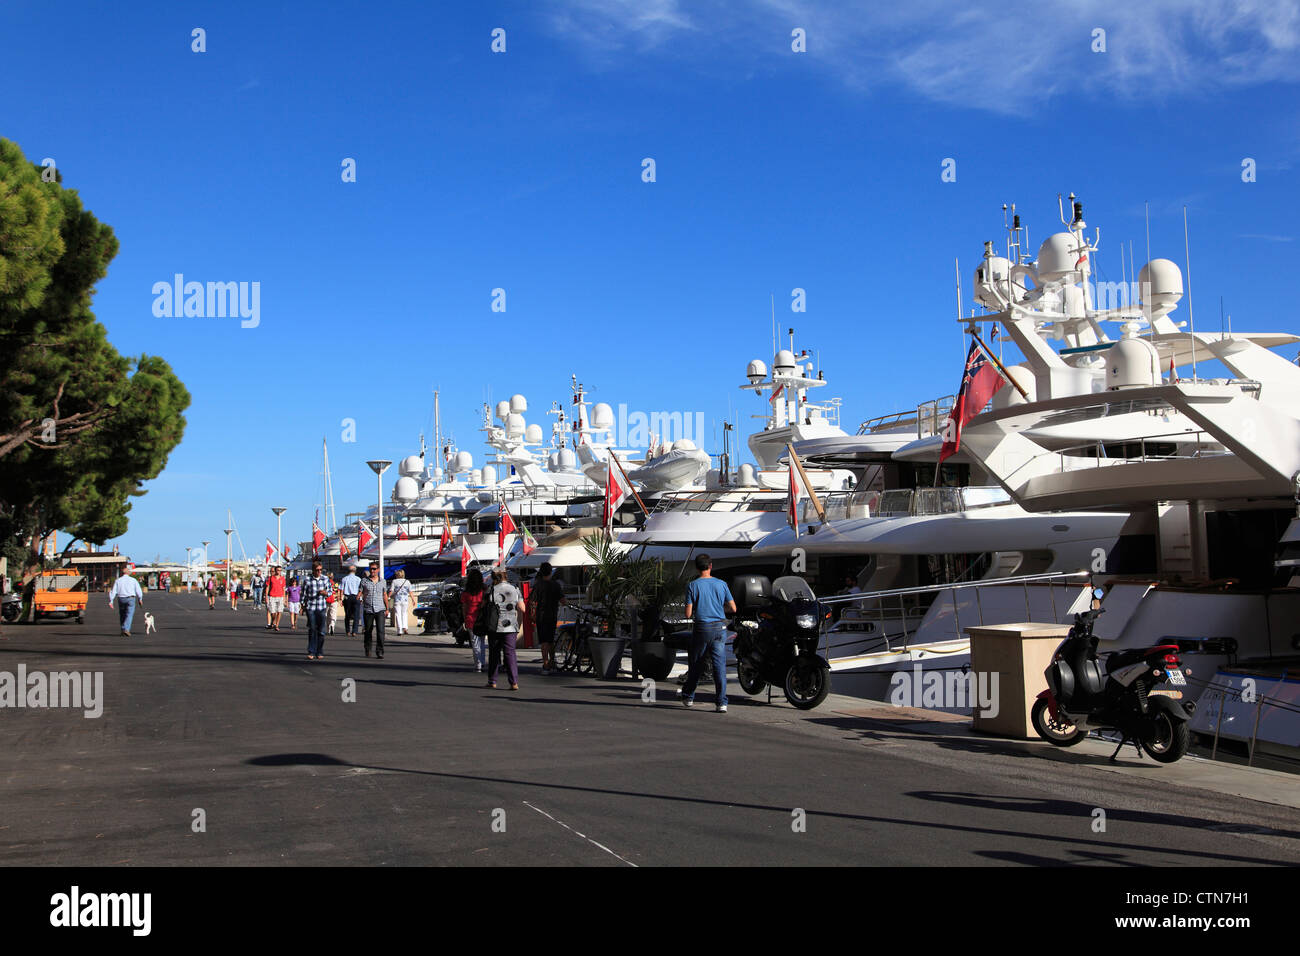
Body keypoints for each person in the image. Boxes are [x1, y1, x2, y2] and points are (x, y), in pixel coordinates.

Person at [680, 554, 736, 713]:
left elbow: (688, 614)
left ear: (697, 568)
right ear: (710, 566)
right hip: (719, 627)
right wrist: (719, 609)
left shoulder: (692, 585)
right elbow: (733, 608)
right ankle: (721, 702)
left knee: (697, 663)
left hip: (702, 628)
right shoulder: (722, 584)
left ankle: (688, 696)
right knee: (719, 666)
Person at [486, 568, 525, 691]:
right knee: (510, 654)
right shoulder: (515, 589)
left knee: (494, 653)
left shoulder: (491, 590)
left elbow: (486, 605)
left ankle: (492, 681)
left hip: (494, 626)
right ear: (506, 576)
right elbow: (522, 608)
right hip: (510, 626)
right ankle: (514, 682)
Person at [529, 562, 564, 674]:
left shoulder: (538, 585)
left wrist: (532, 614)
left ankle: (546, 663)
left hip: (541, 616)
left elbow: (533, 602)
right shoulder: (556, 585)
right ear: (550, 572)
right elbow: (563, 601)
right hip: (552, 615)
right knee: (550, 639)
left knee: (544, 641)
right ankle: (552, 661)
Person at [300, 560, 334, 660]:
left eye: (320, 570)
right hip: (311, 607)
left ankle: (319, 651)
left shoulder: (325, 579)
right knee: (312, 629)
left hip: (321, 607)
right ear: (313, 570)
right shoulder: (307, 580)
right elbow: (303, 594)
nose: (319, 572)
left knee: (321, 631)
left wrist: (325, 593)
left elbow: (330, 591)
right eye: (317, 570)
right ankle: (311, 651)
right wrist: (302, 606)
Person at [358, 563, 389, 658]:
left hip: (380, 609)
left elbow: (385, 595)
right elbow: (360, 592)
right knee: (368, 631)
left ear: (378, 570)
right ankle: (368, 648)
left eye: (374, 569)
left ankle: (380, 651)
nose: (372, 571)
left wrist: (387, 608)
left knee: (381, 631)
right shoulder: (364, 581)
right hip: (368, 609)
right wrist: (359, 597)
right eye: (371, 569)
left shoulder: (383, 581)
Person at [461, 567, 487, 672]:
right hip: (482, 618)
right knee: (482, 643)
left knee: (475, 643)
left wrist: (464, 619)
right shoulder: (484, 591)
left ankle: (478, 664)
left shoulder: (466, 593)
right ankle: (482, 662)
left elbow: (464, 607)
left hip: (470, 618)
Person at [107, 568, 145, 637]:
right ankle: (126, 629)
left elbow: (113, 591)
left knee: (122, 614)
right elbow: (138, 590)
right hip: (131, 598)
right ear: (128, 573)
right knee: (129, 614)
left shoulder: (118, 580)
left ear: (122, 573)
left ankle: (123, 629)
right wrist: (140, 599)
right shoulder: (133, 580)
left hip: (121, 598)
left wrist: (111, 601)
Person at [339, 564, 362, 636]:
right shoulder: (358, 579)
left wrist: (340, 599)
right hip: (356, 597)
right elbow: (360, 590)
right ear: (355, 571)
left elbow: (341, 590)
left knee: (347, 615)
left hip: (347, 597)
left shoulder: (344, 579)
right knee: (356, 615)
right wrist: (360, 598)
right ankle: (354, 631)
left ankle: (348, 631)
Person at [389, 569, 412, 636]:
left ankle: (399, 630)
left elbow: (391, 591)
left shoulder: (394, 581)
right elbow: (410, 591)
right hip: (405, 600)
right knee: (404, 614)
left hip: (397, 600)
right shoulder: (407, 581)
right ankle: (405, 628)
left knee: (398, 614)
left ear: (397, 574)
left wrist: (387, 596)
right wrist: (413, 600)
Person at [265, 565, 287, 630]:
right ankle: (273, 621)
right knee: (273, 612)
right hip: (272, 596)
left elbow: (283, 589)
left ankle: (276, 625)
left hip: (280, 596)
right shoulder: (271, 578)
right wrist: (266, 596)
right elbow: (267, 587)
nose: (279, 571)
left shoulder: (282, 578)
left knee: (279, 611)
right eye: (278, 570)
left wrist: (284, 598)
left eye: (280, 570)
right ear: (275, 570)